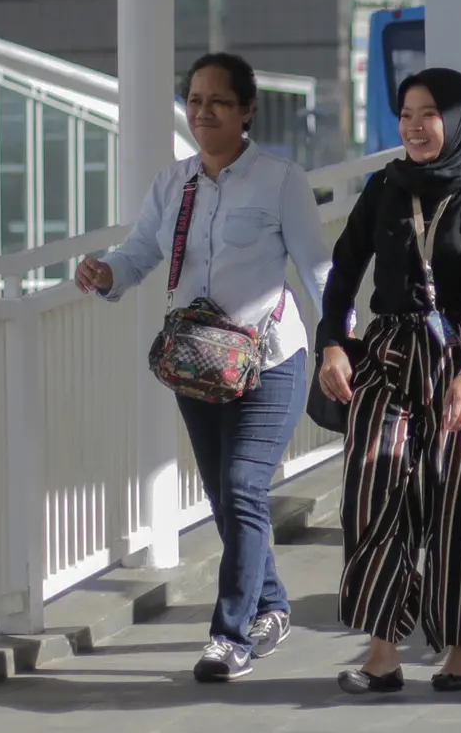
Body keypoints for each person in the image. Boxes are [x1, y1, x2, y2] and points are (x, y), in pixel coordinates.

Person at [76, 52, 331, 682]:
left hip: (270, 360)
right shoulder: (174, 184)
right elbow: (139, 252)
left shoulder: (280, 180)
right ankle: (270, 604)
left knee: (244, 485)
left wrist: (341, 343)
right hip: (199, 364)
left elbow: (318, 268)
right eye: (193, 99)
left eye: (218, 101)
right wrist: (107, 273)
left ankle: (230, 635)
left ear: (247, 111)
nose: (202, 112)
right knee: (224, 495)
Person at [317, 69, 461, 696]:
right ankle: (382, 651)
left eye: (429, 114)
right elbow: (345, 269)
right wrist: (331, 343)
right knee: (372, 481)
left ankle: (460, 646)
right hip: (391, 350)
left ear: (456, 121)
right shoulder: (384, 186)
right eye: (405, 113)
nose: (414, 126)